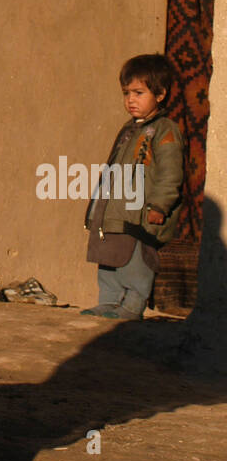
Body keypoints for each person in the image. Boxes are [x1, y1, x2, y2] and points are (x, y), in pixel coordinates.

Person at [82, 54, 185, 320]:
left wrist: (160, 205)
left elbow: (170, 173)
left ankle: (132, 304)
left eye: (139, 93)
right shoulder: (129, 130)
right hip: (116, 209)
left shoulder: (165, 130)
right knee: (109, 256)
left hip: (141, 211)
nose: (131, 100)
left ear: (160, 94)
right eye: (126, 93)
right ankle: (108, 301)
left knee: (136, 260)